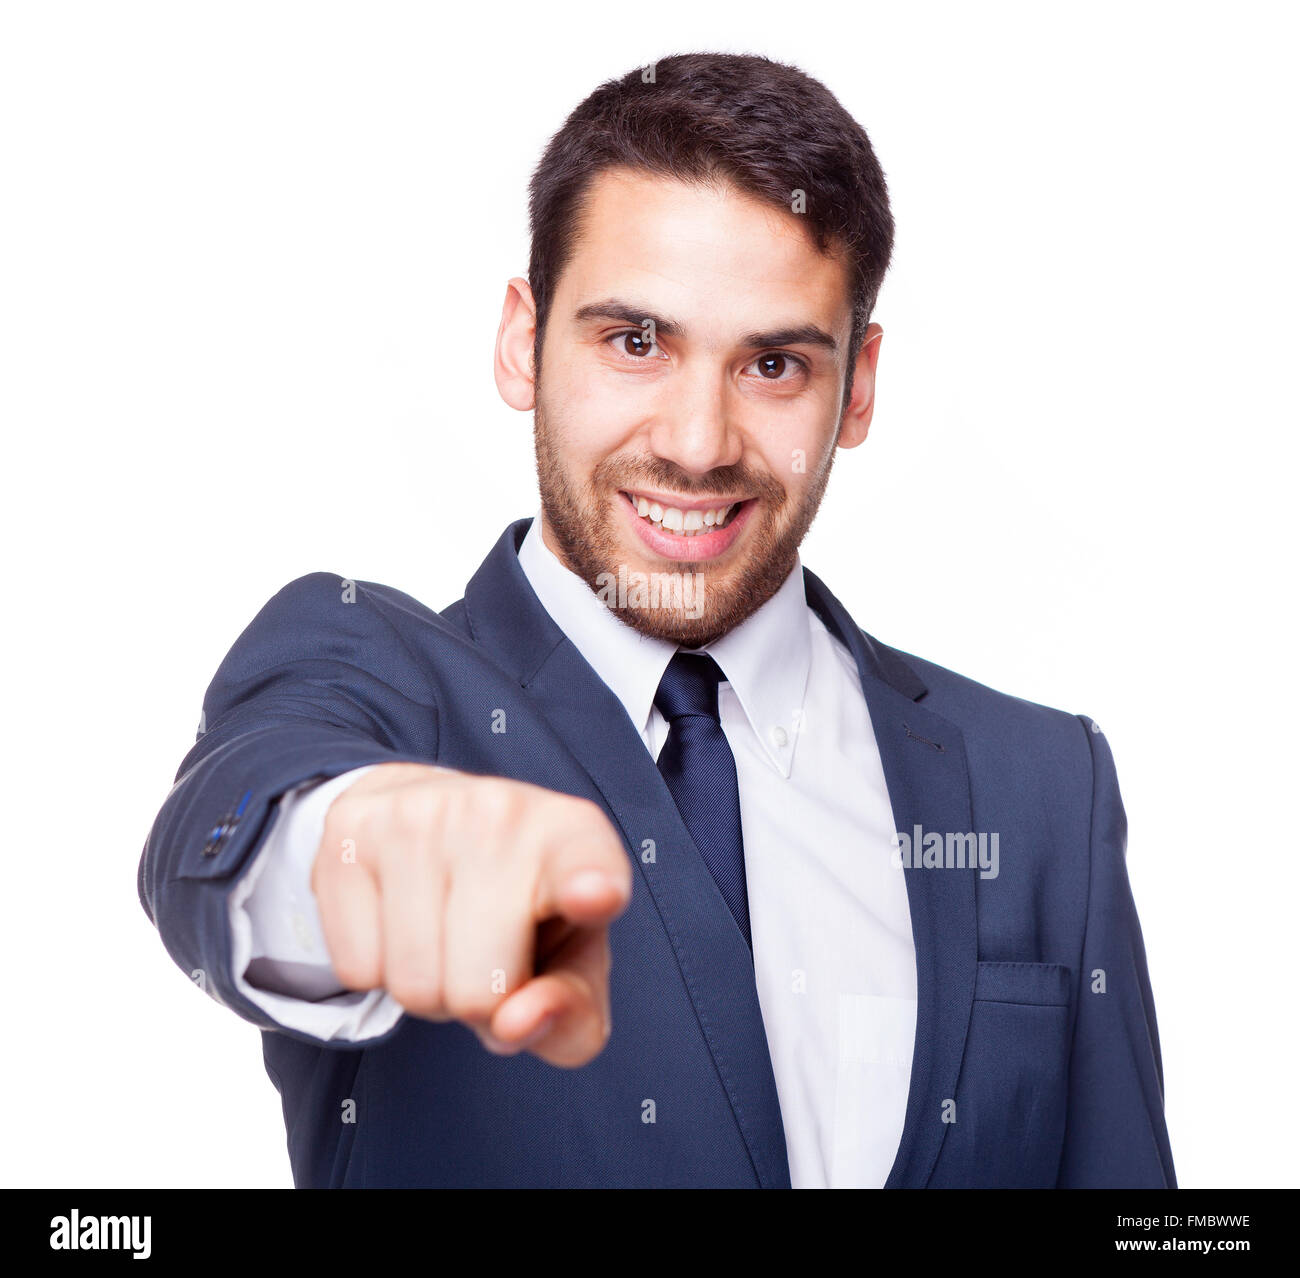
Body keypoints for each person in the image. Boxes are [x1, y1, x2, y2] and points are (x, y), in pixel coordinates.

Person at [138, 51, 1175, 1189]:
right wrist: (357, 849)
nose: (696, 440)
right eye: (635, 341)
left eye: (773, 363)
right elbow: (231, 842)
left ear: (858, 386)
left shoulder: (1041, 785)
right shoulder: (375, 678)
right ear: (521, 341)